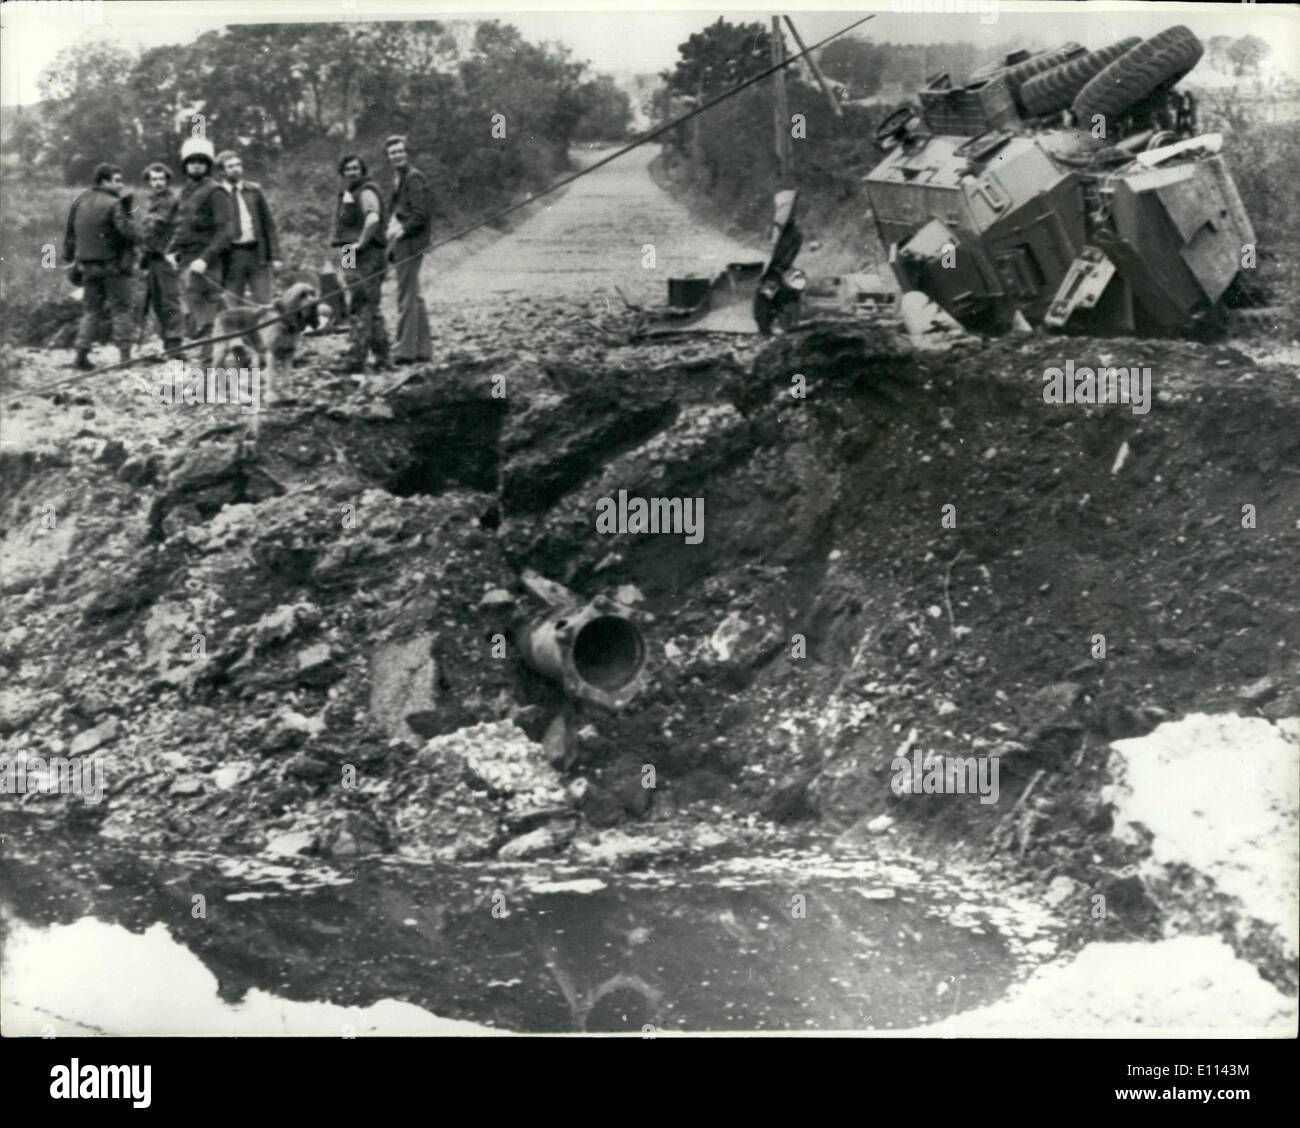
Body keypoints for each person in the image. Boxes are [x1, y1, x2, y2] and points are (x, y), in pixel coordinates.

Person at [62, 163, 137, 370]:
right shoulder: (115, 204)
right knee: (122, 309)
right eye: (117, 180)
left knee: (91, 311)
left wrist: (70, 259)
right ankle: (125, 357)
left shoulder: (79, 201)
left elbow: (70, 236)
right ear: (104, 181)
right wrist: (130, 213)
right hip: (113, 267)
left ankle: (81, 355)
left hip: (86, 266)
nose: (121, 184)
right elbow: (129, 234)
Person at [166, 136, 232, 365]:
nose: (195, 165)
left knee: (207, 314)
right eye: (191, 162)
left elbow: (225, 231)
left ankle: (210, 363)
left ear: (208, 165)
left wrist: (206, 258)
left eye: (201, 162)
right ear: (185, 165)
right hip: (186, 260)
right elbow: (180, 225)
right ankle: (234, 351)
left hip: (207, 261)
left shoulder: (216, 192)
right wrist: (171, 251)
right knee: (200, 311)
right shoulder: (186, 191)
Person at [330, 154, 391, 374]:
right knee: (365, 304)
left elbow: (373, 219)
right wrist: (347, 255)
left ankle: (356, 358)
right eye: (348, 169)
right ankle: (383, 357)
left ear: (362, 170)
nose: (352, 172)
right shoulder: (348, 193)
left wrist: (360, 243)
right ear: (343, 173)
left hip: (367, 253)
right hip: (348, 251)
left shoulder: (366, 191)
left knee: (360, 304)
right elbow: (344, 230)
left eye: (356, 168)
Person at [383, 134, 432, 364]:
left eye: (400, 151)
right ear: (388, 157)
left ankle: (404, 351)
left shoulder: (413, 177)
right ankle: (422, 349)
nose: (397, 156)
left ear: (407, 153)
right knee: (414, 294)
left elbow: (421, 214)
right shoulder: (398, 178)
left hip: (410, 242)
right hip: (403, 241)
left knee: (406, 295)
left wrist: (402, 230)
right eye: (393, 153)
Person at [216, 149, 281, 307]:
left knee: (264, 305)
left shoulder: (254, 191)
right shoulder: (216, 194)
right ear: (222, 171)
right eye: (230, 166)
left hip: (257, 254)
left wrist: (276, 256)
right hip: (231, 257)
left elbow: (269, 225)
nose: (236, 169)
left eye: (238, 165)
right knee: (233, 308)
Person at [136, 162, 184, 357]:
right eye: (154, 179)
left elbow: (178, 229)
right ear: (149, 181)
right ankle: (167, 343)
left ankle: (176, 345)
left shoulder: (173, 202)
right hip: (152, 257)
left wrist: (172, 252)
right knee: (157, 302)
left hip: (167, 257)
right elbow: (145, 231)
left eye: (161, 179)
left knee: (170, 301)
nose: (157, 183)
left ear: (167, 180)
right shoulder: (149, 202)